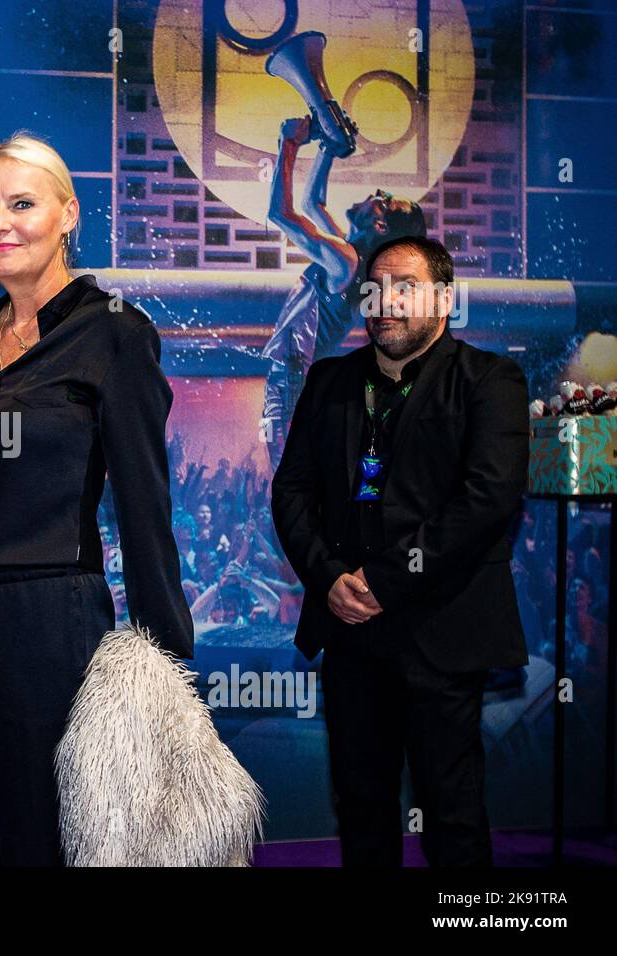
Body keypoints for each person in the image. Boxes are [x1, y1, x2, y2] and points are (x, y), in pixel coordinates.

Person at [0, 132, 194, 866]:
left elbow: (146, 511)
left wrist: (169, 674)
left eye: (22, 203)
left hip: (48, 630)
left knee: (47, 845)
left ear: (68, 213)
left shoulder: (114, 332)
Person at [271, 235, 529, 866]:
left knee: (452, 814)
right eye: (376, 286)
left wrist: (383, 581)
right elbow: (292, 492)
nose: (385, 301)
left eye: (405, 286)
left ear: (444, 298)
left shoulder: (488, 380)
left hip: (442, 633)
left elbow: (488, 500)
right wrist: (329, 579)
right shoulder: (331, 381)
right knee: (360, 808)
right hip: (350, 636)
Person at [262, 114, 428, 470]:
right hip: (297, 381)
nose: (375, 194)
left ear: (379, 224)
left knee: (288, 489)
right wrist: (327, 147)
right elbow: (312, 206)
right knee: (294, 489)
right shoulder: (353, 257)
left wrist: (288, 144)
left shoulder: (346, 261)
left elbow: (281, 214)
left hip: (292, 382)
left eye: (383, 200)